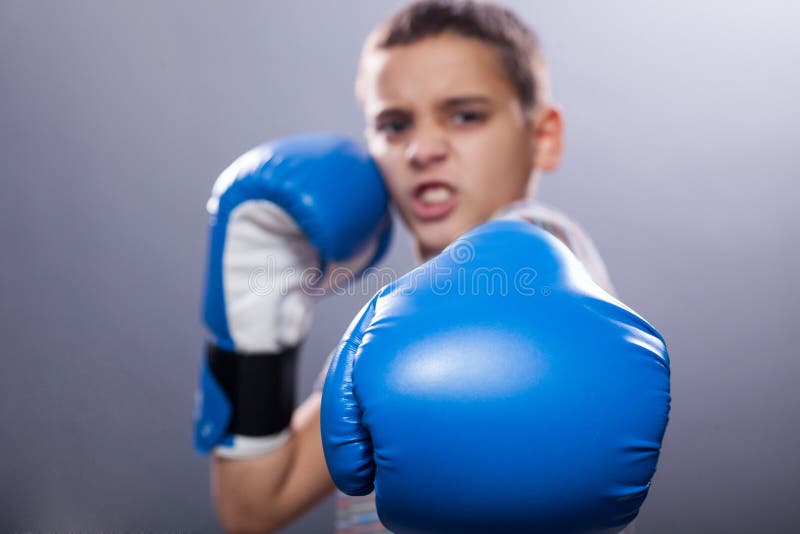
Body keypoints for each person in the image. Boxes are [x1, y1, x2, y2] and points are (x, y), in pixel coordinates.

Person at [198, 1, 656, 532]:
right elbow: (252, 506)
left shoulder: (544, 250)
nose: (422, 149)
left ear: (542, 137)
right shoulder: (390, 327)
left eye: (465, 115)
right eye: (394, 125)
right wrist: (260, 308)